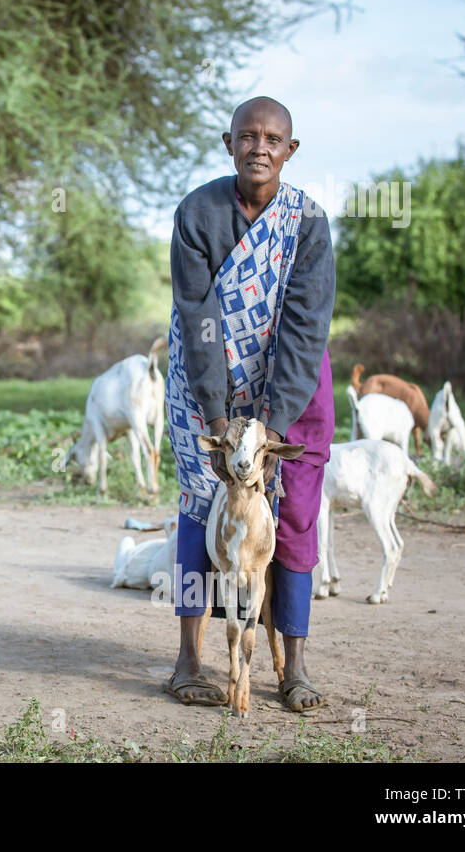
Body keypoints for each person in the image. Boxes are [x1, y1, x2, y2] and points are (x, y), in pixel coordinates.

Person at [164, 96, 335, 712]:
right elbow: (199, 317)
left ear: (290, 150)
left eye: (272, 139)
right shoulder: (197, 213)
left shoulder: (308, 223)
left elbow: (304, 327)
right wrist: (216, 423)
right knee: (199, 508)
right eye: (247, 137)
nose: (259, 148)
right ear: (228, 143)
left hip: (291, 392)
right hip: (205, 385)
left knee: (290, 518)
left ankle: (294, 665)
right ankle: (189, 660)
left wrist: (271, 434)